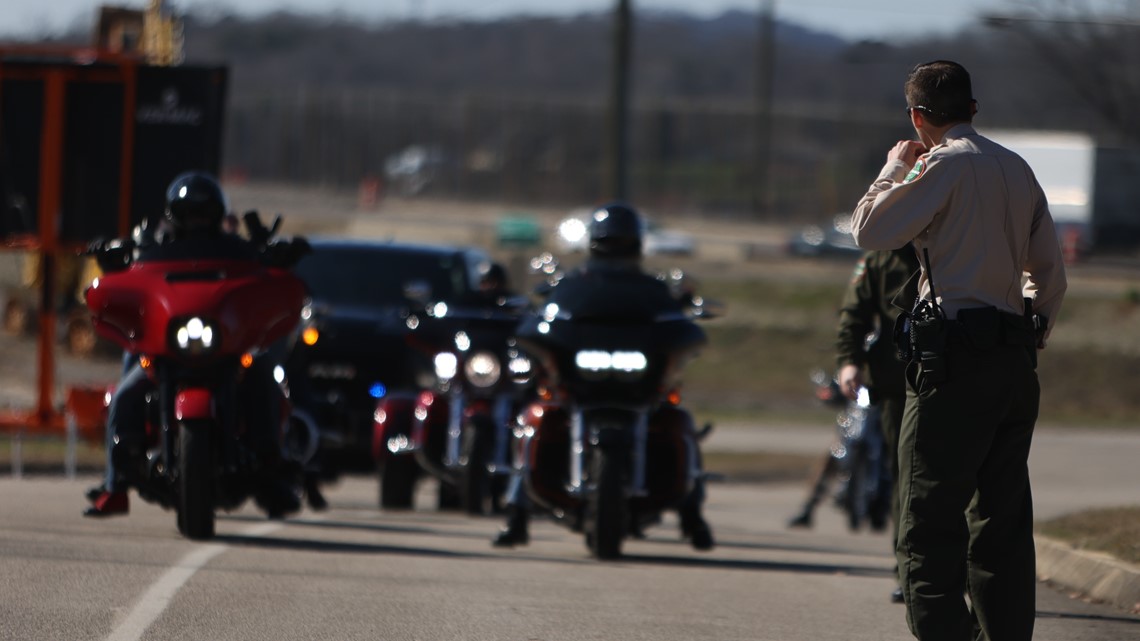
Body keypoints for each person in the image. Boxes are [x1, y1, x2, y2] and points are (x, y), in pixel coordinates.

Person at [850, 61, 1067, 641]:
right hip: (1013, 362)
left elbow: (870, 231)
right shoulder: (1017, 168)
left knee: (928, 520)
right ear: (973, 109)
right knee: (1001, 522)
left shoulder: (940, 166)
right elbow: (1049, 273)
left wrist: (894, 168)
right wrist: (1030, 329)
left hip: (955, 363)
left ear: (918, 117)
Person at [84, 171, 309, 519]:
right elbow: (128, 268)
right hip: (167, 349)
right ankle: (115, 485)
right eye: (190, 214)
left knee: (264, 380)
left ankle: (272, 473)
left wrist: (279, 254)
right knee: (126, 393)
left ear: (218, 215)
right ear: (175, 213)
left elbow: (262, 264)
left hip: (226, 348)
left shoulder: (237, 250)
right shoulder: (152, 247)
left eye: (203, 214)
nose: (197, 222)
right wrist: (114, 254)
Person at [492, 202, 714, 551]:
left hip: (638, 387)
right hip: (580, 383)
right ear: (595, 242)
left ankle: (693, 517)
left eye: (622, 242)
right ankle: (516, 516)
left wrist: (682, 316)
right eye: (610, 242)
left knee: (678, 422)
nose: (616, 249)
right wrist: (541, 316)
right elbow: (548, 311)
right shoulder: (575, 285)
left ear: (636, 243)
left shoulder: (650, 290)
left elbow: (675, 317)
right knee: (536, 419)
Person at [788, 246, 921, 604]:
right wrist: (849, 362)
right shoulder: (881, 259)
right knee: (903, 480)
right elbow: (854, 313)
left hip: (956, 383)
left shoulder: (957, 244)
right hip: (895, 386)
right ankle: (910, 574)